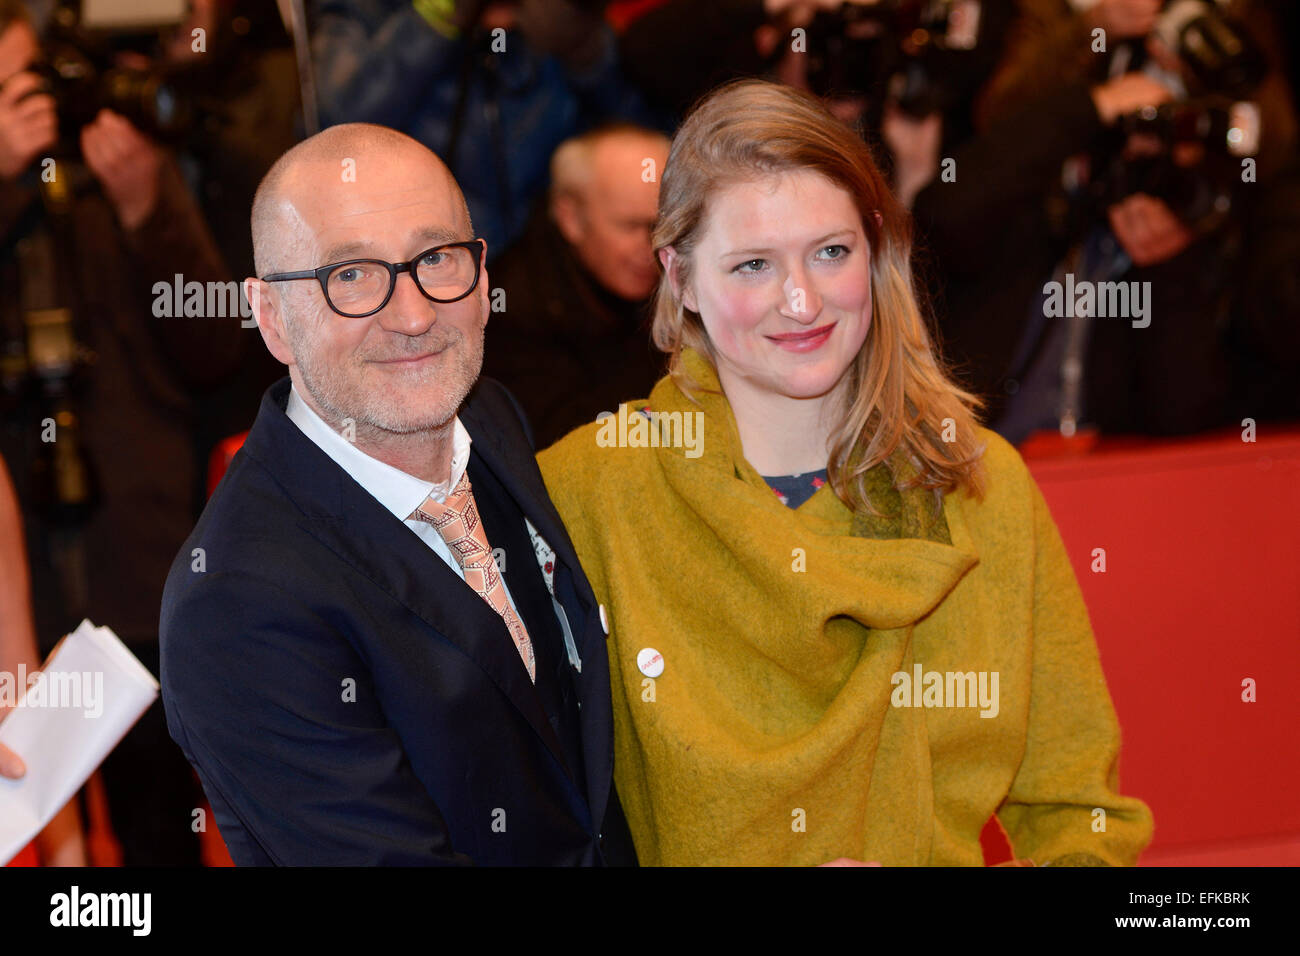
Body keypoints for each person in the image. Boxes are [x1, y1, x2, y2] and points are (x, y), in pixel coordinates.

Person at [538, 79, 1154, 866]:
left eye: (831, 252)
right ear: (681, 276)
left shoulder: (977, 484)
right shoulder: (588, 490)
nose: (802, 301)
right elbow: (533, 818)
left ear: (876, 248)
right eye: (754, 264)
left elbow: (1082, 821)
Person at [159, 122, 635, 866]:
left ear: (481, 275)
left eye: (436, 258)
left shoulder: (490, 417)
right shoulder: (238, 602)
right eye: (348, 276)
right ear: (273, 318)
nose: (413, 317)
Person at [0, 0, 241, 865]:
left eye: (31, 78)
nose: (28, 102)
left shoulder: (120, 160)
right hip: (17, 546)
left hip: (135, 548)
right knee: (25, 794)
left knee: (156, 818)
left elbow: (219, 348)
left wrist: (148, 208)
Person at [483, 123, 669, 447]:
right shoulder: (507, 311)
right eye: (630, 226)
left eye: (662, 225)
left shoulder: (680, 273)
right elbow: (565, 443)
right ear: (570, 217)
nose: (652, 246)